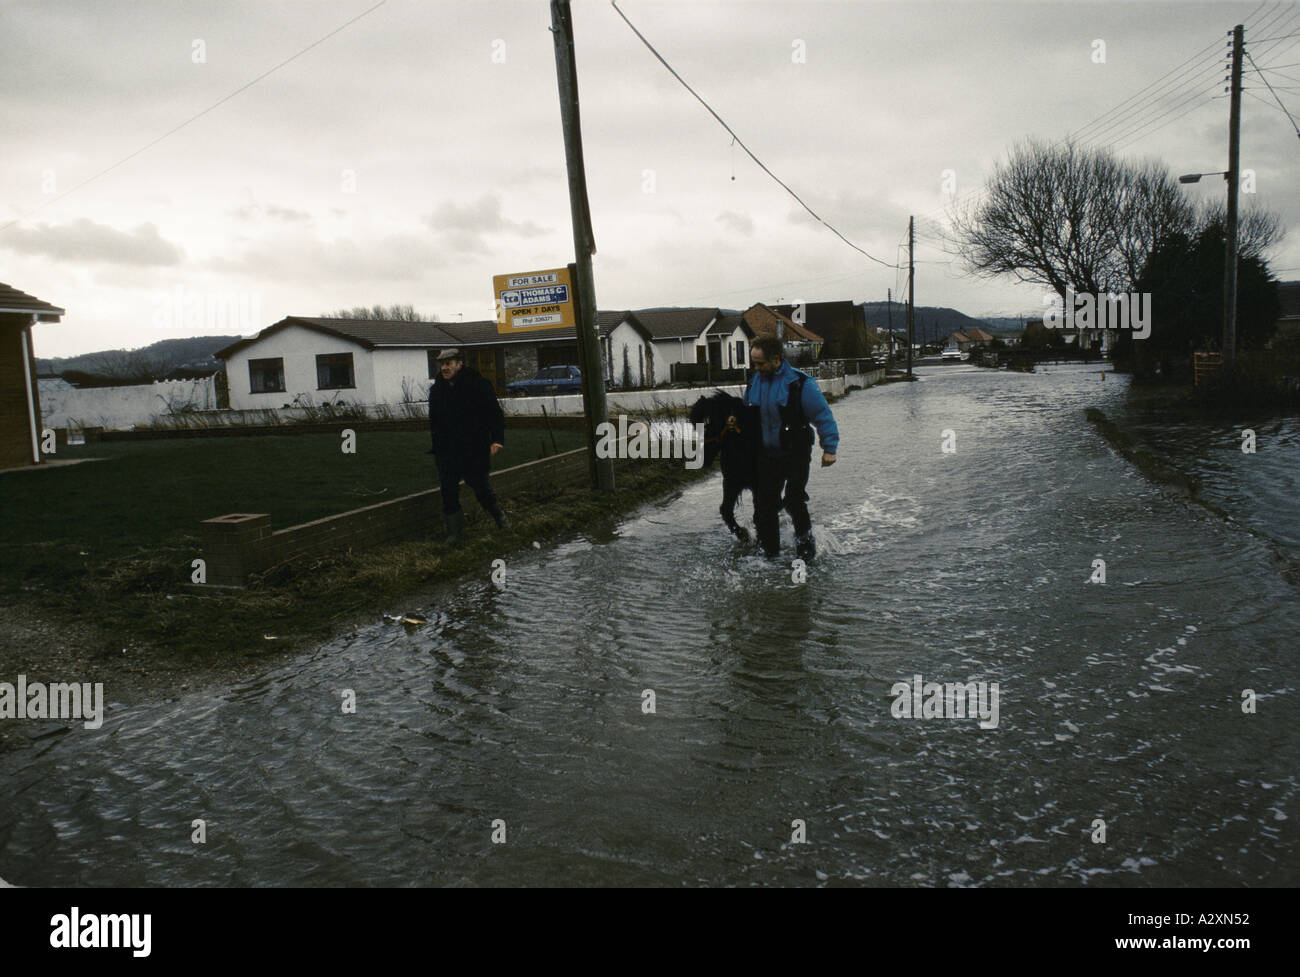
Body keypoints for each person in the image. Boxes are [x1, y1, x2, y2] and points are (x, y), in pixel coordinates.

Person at [742, 337, 838, 560]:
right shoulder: (754, 382)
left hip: (796, 452)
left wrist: (829, 448)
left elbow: (823, 417)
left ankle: (806, 553)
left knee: (794, 500)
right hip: (766, 455)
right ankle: (770, 556)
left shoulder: (800, 383)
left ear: (776, 360)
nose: (755, 368)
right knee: (764, 506)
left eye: (760, 363)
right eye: (753, 363)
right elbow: (747, 415)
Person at [428, 348, 509, 544]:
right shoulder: (437, 390)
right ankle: (455, 534)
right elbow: (435, 421)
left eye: (449, 364)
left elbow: (494, 414)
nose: (445, 368)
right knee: (448, 492)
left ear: (459, 364)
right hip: (446, 451)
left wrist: (497, 439)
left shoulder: (478, 384)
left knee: (480, 487)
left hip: (474, 449)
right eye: (442, 364)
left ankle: (501, 518)